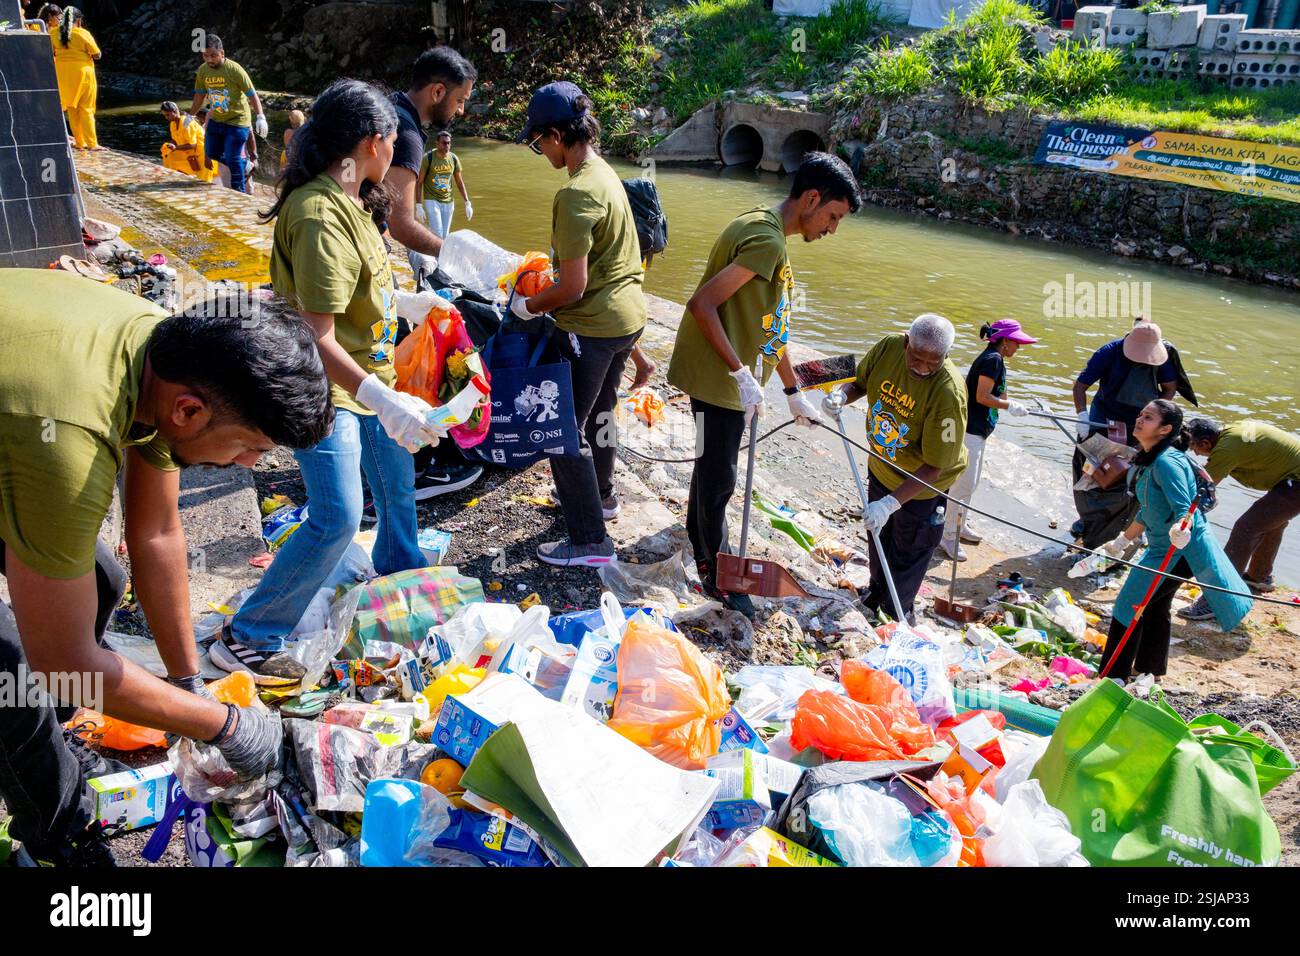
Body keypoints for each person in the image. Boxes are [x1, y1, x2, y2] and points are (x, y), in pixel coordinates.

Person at [0, 269, 334, 866]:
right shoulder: (69, 434)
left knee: (101, 577)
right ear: (188, 412)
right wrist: (224, 726)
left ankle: (38, 746)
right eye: (252, 446)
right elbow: (64, 661)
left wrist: (188, 685)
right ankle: (57, 839)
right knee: (11, 666)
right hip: (26, 425)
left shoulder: (168, 352)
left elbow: (155, 533)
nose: (254, 465)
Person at [215, 79, 445, 683]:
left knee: (397, 490)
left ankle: (399, 582)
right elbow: (316, 337)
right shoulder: (318, 213)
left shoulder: (356, 197)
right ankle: (248, 636)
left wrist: (409, 304)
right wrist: (381, 400)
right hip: (331, 390)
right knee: (337, 516)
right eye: (396, 140)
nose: (399, 152)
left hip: (372, 378)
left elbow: (359, 291)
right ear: (374, 142)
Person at [668, 152, 860, 614]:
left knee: (711, 468)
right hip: (721, 378)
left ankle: (701, 545)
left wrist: (794, 390)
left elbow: (772, 326)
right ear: (811, 198)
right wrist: (739, 373)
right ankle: (717, 576)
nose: (833, 229)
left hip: (724, 374)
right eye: (833, 216)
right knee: (720, 480)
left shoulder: (764, 228)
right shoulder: (767, 242)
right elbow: (702, 304)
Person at [508, 81, 646, 567]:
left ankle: (590, 540)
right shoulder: (606, 173)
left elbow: (571, 287)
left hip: (591, 326)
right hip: (628, 320)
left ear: (555, 134)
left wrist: (527, 308)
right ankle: (603, 497)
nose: (539, 150)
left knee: (562, 430)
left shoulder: (575, 192)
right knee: (602, 411)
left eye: (537, 142)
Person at [383, 46, 484, 500]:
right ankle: (399, 476)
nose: (460, 110)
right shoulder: (406, 132)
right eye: (460, 100)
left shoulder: (387, 108)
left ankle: (378, 471)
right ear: (437, 90)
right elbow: (401, 221)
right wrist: (453, 255)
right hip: (349, 258)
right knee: (374, 364)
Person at [822, 314, 969, 623]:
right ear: (905, 343)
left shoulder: (948, 393)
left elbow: (935, 467)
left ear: (947, 356)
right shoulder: (887, 348)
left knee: (909, 551)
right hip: (883, 467)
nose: (923, 369)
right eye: (916, 359)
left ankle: (898, 613)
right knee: (879, 537)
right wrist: (839, 397)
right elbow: (859, 382)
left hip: (923, 487)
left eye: (934, 363)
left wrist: (890, 503)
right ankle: (875, 593)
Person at [1098, 400, 1253, 681]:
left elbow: (1184, 508)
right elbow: (1149, 510)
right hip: (1162, 548)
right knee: (1156, 605)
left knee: (1128, 604)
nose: (1140, 419)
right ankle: (1149, 669)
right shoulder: (1150, 458)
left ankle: (1113, 676)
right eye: (1141, 414)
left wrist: (1182, 528)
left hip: (1180, 550)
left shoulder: (1167, 461)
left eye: (1148, 417)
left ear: (1165, 429)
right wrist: (1121, 542)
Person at [1069, 320, 1178, 547]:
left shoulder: (1165, 357)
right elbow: (1080, 386)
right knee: (1093, 472)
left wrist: (1156, 417)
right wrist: (1082, 417)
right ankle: (1088, 520)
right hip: (1104, 421)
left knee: (1132, 475)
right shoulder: (1109, 352)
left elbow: (1170, 388)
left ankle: (1128, 525)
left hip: (1140, 427)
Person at [1179, 417, 1300, 618]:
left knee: (1246, 527)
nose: (1197, 454)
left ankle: (1217, 601)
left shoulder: (1226, 450)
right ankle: (1259, 577)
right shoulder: (1230, 433)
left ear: (1206, 443)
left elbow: (1201, 491)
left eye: (1195, 448)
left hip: (1296, 481)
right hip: (1290, 476)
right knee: (1270, 521)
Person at [940, 318, 1036, 561]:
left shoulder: (998, 359)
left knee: (971, 483)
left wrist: (1012, 401)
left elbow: (998, 391)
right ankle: (947, 535)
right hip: (970, 429)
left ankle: (959, 525)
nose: (1018, 347)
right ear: (1004, 341)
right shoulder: (992, 360)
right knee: (963, 483)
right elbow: (982, 396)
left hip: (979, 431)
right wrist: (1010, 405)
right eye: (1016, 343)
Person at [190, 33, 268, 193]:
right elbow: (199, 95)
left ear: (222, 53)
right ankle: (245, 165)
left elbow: (252, 94)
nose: (209, 59)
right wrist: (191, 114)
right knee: (211, 152)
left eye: (213, 55)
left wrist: (260, 116)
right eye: (205, 56)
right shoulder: (203, 71)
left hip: (238, 120)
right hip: (218, 119)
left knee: (233, 158)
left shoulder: (234, 69)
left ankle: (239, 193)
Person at [51, 7, 101, 150]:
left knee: (73, 108)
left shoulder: (53, 32)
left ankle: (80, 142)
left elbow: (50, 51)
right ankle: (92, 144)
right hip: (82, 73)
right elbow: (97, 54)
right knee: (86, 108)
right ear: (78, 20)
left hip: (62, 73)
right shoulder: (83, 33)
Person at [416, 129, 472, 238]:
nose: (447, 146)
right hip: (432, 200)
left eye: (449, 143)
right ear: (437, 143)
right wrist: (418, 205)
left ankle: (439, 254)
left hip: (448, 201)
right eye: (444, 143)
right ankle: (437, 254)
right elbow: (419, 182)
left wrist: (467, 202)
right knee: (438, 233)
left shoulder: (453, 158)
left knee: (445, 236)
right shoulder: (428, 158)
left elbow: (459, 182)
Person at [159, 100, 216, 183]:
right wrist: (171, 144)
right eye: (165, 116)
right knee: (169, 155)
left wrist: (176, 147)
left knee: (204, 182)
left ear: (175, 111)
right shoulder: (173, 123)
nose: (166, 118)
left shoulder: (186, 123)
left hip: (203, 153)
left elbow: (192, 145)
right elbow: (175, 139)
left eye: (168, 115)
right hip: (189, 153)